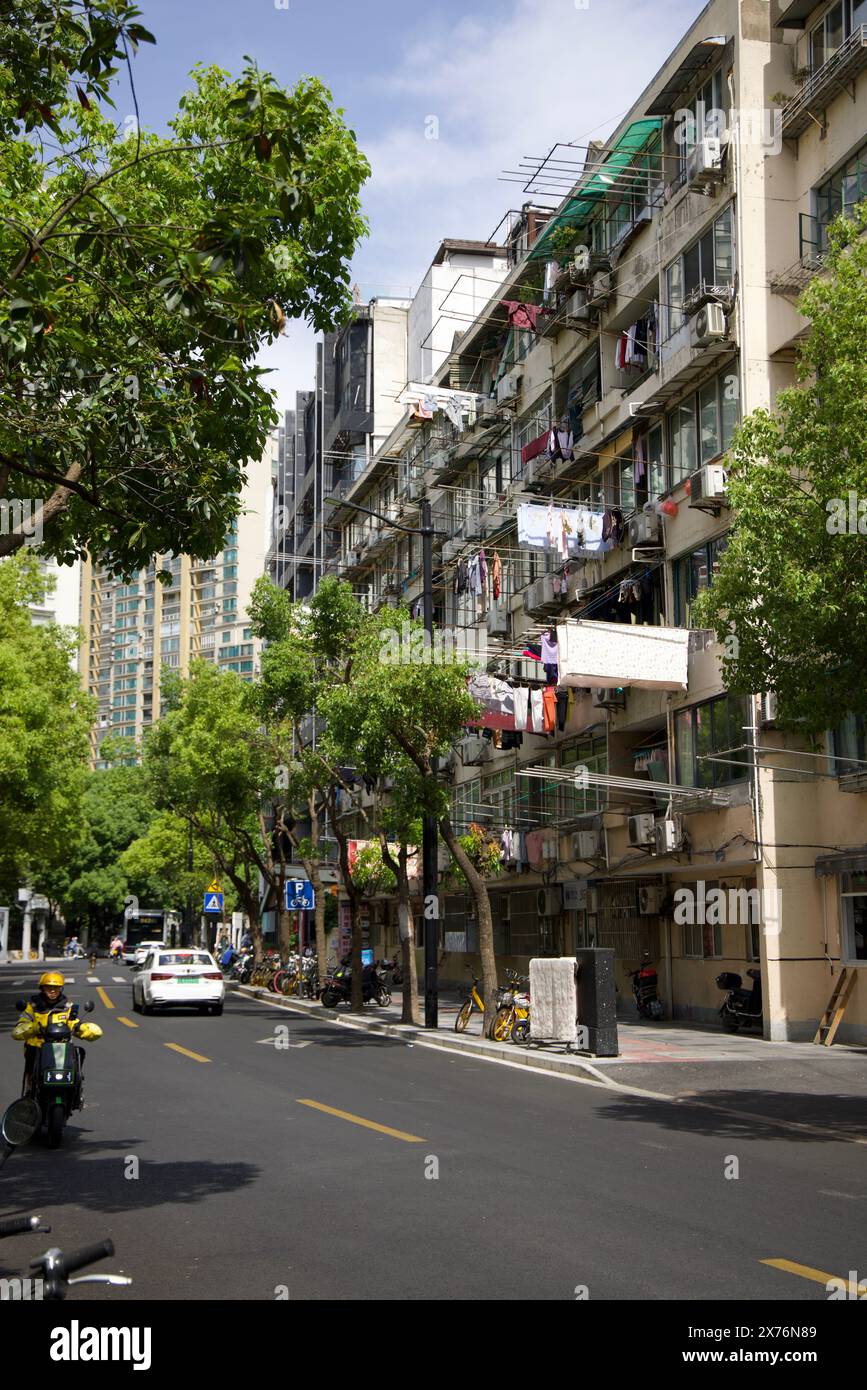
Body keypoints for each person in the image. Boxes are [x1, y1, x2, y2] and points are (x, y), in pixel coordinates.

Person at [11, 971, 103, 1095]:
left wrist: (83, 1028)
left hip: (61, 1050)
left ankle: (76, 1087)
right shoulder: (31, 1007)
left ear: (61, 989)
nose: (52, 990)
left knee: (79, 1052)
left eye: (56, 988)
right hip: (37, 1049)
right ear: (42, 988)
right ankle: (29, 1092)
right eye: (49, 987)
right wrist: (34, 1028)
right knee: (31, 1057)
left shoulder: (67, 1007)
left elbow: (73, 1023)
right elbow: (18, 1030)